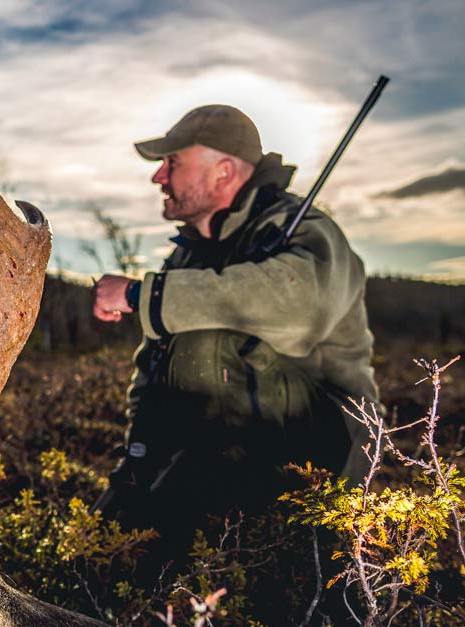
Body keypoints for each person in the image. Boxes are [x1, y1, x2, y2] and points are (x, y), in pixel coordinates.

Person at [90, 105, 378, 569]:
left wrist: (144, 295)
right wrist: (137, 465)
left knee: (211, 338)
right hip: (210, 451)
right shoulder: (190, 255)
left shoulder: (307, 231)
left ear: (224, 171)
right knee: (99, 545)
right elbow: (153, 371)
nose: (159, 177)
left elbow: (302, 304)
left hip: (314, 458)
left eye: (173, 163)